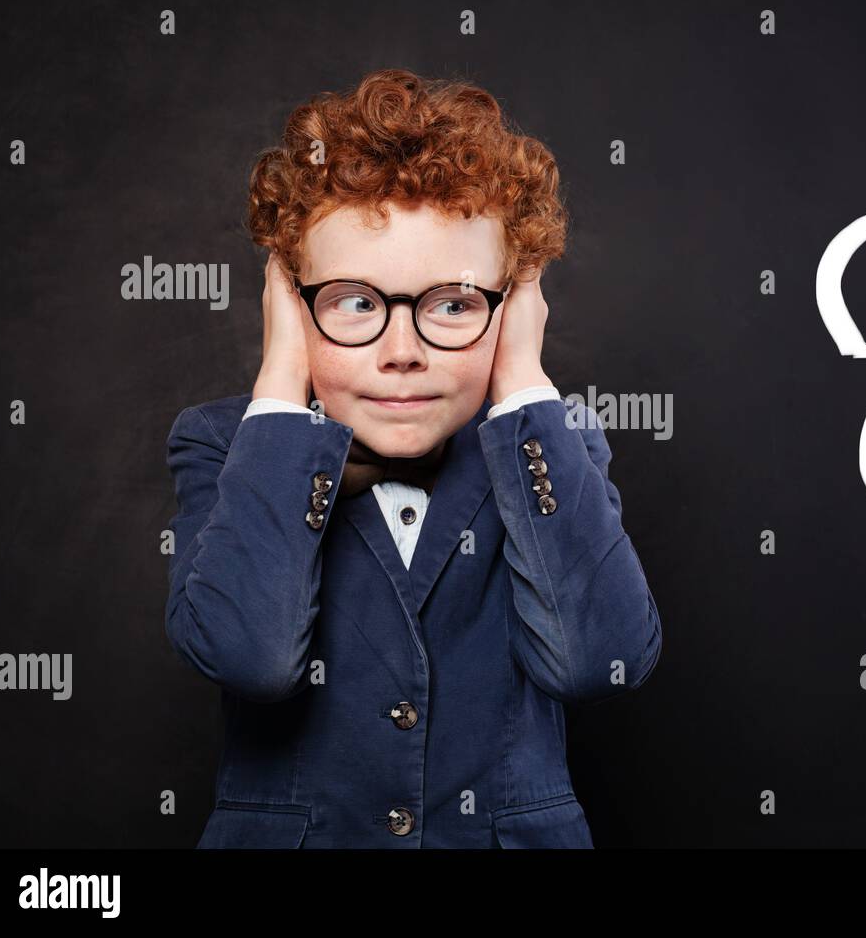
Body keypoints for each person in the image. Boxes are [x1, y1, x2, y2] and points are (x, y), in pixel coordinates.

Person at [163, 69, 662, 848]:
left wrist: (524, 380)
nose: (403, 352)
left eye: (455, 304)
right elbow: (248, 657)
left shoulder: (552, 449)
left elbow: (600, 664)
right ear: (291, 306)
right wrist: (281, 385)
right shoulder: (231, 445)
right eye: (355, 302)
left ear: (514, 304)